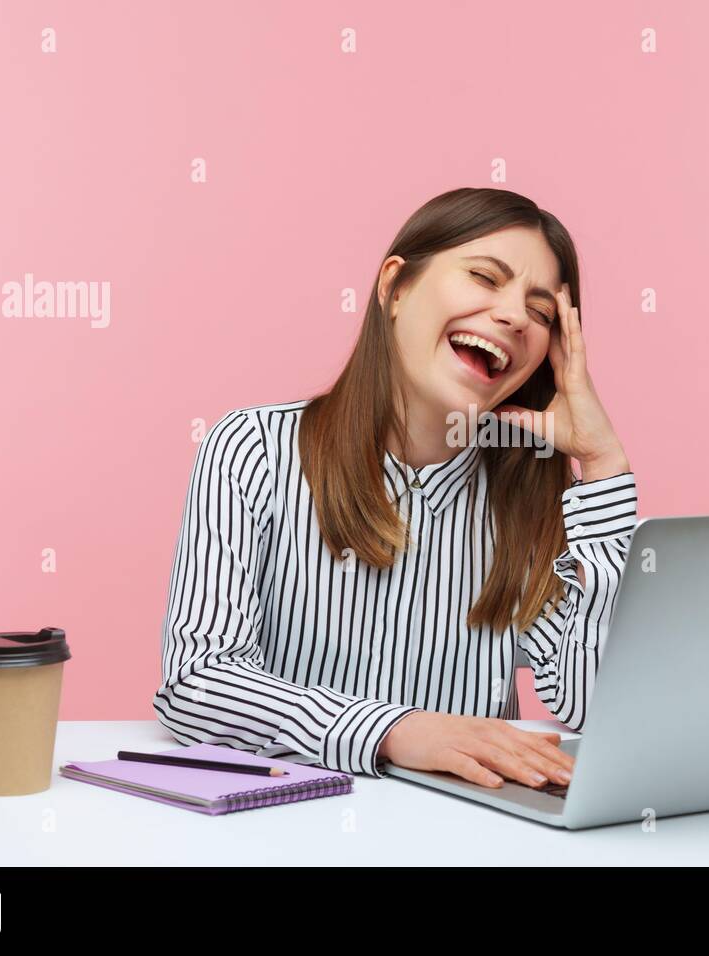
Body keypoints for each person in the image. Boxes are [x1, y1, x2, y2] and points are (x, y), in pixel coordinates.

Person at [153, 187, 637, 790]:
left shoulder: (527, 495)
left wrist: (602, 465)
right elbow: (197, 683)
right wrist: (397, 731)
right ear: (395, 288)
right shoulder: (255, 448)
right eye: (486, 277)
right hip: (290, 822)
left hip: (472, 828)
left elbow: (597, 705)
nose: (515, 316)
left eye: (540, 312)